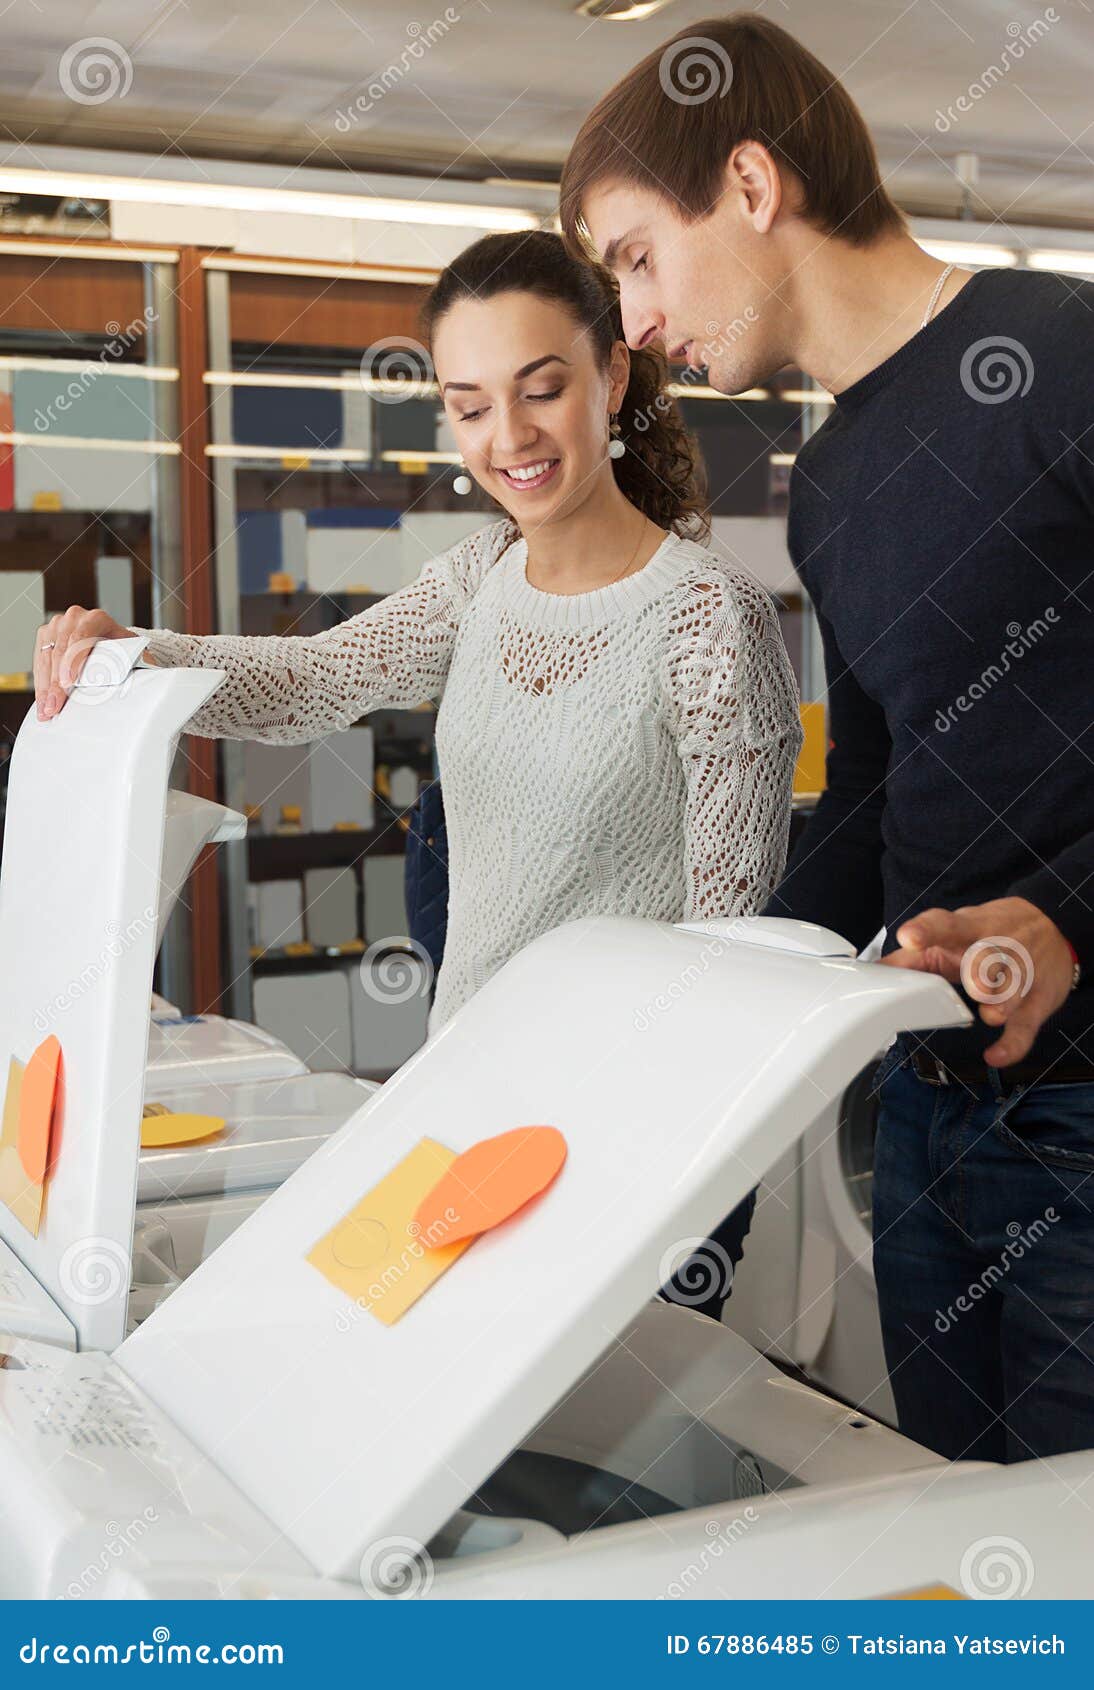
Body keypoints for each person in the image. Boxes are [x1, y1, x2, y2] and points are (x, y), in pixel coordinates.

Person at [33, 228, 803, 1310]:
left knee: (615, 1460)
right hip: (462, 1107)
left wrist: (630, 1153)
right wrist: (138, 655)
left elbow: (727, 953)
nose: (509, 436)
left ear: (612, 375)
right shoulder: (479, 574)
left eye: (540, 390)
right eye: (470, 402)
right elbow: (311, 679)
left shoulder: (707, 618)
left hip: (627, 1145)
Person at [560, 12, 1094, 1462]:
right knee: (955, 1523)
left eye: (634, 254)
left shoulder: (1059, 357)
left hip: (1085, 1107)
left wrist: (1064, 919)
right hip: (929, 1107)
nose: (637, 324)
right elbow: (869, 795)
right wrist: (695, 997)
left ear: (746, 182)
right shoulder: (834, 476)